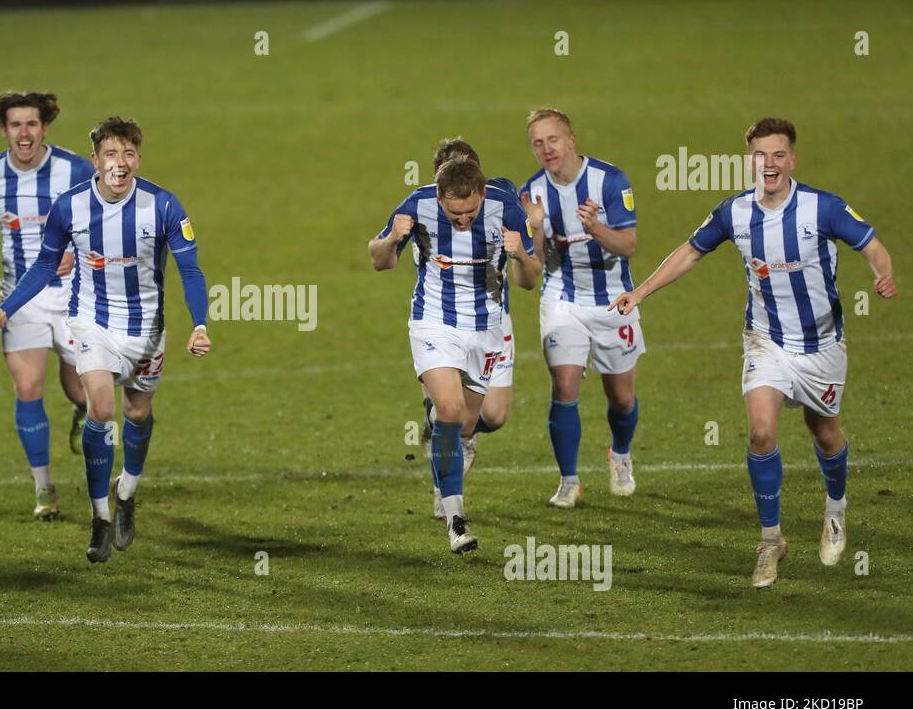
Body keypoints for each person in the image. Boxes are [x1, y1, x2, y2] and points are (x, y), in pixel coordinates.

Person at [609, 118, 896, 588]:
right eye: (761, 155)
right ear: (750, 160)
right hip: (766, 340)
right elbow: (690, 251)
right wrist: (641, 292)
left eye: (778, 155)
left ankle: (836, 511)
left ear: (791, 161)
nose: (769, 164)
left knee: (824, 433)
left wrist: (882, 274)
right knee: (761, 432)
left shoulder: (823, 208)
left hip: (822, 345)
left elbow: (874, 246)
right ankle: (770, 540)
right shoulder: (734, 213)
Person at [0, 116, 211, 563]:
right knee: (101, 408)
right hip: (90, 323)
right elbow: (46, 266)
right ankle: (100, 516)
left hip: (146, 330)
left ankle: (126, 491)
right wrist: (5, 310)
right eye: (110, 154)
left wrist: (199, 324)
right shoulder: (70, 207)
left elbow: (191, 270)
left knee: (137, 413)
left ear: (138, 158)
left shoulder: (163, 206)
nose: (119, 164)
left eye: (128, 154)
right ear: (95, 161)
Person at [369, 156, 541, 554]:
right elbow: (379, 261)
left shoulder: (507, 207)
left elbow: (530, 282)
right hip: (433, 322)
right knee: (449, 409)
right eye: (454, 212)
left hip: (486, 329)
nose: (462, 220)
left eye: (470, 211)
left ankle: (435, 424)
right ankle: (456, 521)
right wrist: (392, 239)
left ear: (482, 194)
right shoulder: (417, 204)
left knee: (467, 424)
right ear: (440, 197)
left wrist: (521, 256)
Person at [0, 91, 93, 520]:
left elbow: (104, 217)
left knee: (84, 388)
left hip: (75, 294)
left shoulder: (73, 169)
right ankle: (44, 489)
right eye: (16, 125)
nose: (24, 133)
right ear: (4, 129)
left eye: (32, 124)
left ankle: (81, 410)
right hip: (22, 298)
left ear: (45, 127)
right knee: (28, 387)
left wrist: (83, 247)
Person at [520, 108, 643, 509]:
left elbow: (628, 246)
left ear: (571, 139)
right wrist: (535, 229)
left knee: (622, 398)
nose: (546, 149)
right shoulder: (532, 192)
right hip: (562, 299)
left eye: (552, 139)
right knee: (564, 384)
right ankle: (569, 480)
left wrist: (595, 229)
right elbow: (531, 273)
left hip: (613, 301)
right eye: (538, 143)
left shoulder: (610, 180)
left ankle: (620, 454)